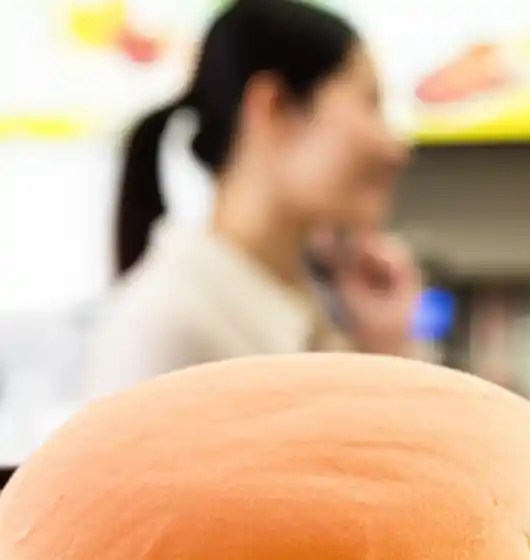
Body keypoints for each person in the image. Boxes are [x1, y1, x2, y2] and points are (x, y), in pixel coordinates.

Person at [86, 0, 413, 397]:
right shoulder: (168, 324)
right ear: (275, 107)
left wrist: (384, 346)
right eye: (370, 103)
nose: (395, 147)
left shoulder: (311, 306)